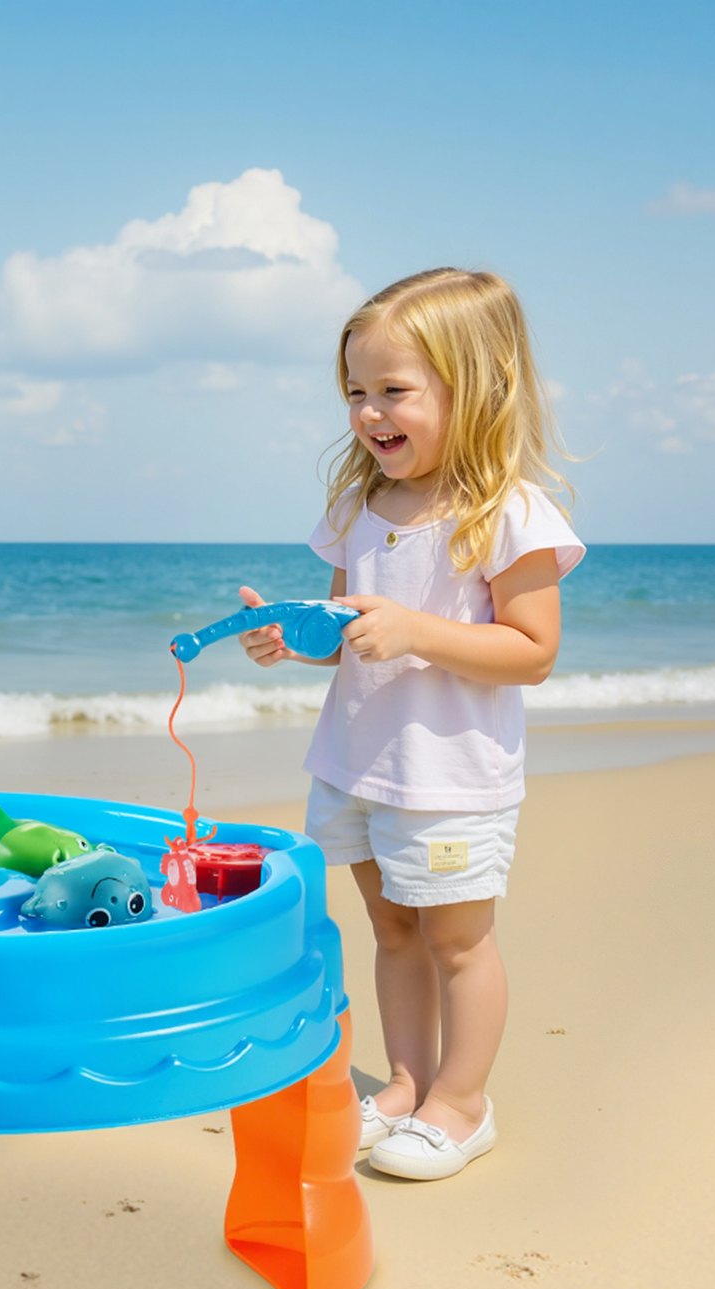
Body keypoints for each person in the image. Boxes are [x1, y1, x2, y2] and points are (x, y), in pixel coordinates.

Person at [240, 267, 583, 1180]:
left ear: (472, 388)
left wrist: (421, 632)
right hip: (357, 761)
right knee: (391, 932)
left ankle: (464, 1106)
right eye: (356, 390)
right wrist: (295, 638)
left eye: (394, 390)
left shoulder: (507, 513)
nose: (368, 412)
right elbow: (354, 629)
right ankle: (406, 1083)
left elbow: (535, 649)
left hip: (448, 774)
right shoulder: (359, 506)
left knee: (458, 940)